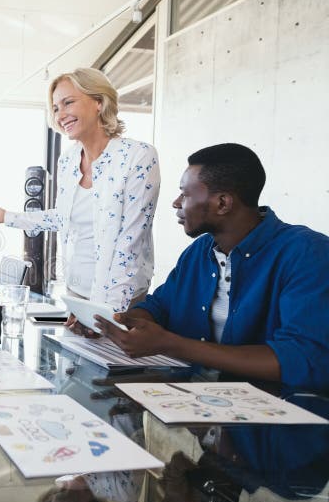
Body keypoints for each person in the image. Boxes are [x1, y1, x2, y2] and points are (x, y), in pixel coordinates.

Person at [95, 143, 329, 390]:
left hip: (271, 415)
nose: (176, 203)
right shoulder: (200, 250)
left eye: (185, 194)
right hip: (195, 398)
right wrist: (111, 322)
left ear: (222, 203)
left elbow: (304, 359)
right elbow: (160, 307)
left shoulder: (308, 253)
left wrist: (172, 344)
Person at [0, 68, 161, 315]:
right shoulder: (68, 160)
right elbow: (63, 218)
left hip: (120, 298)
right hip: (76, 293)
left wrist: (104, 314)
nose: (60, 115)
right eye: (55, 108)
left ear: (99, 102)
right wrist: (8, 217)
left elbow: (130, 243)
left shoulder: (138, 156)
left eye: (68, 103)